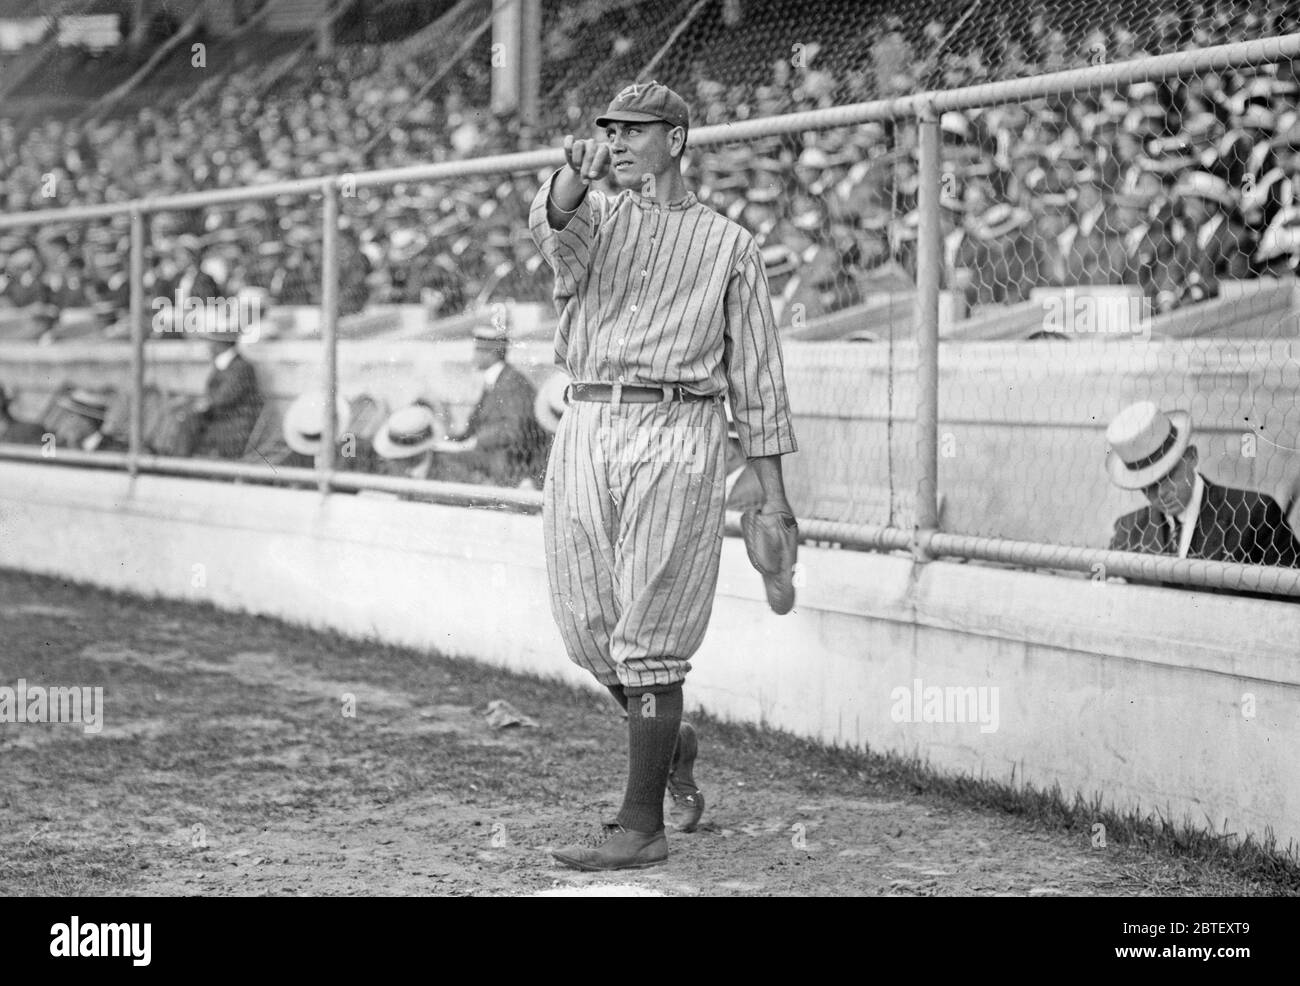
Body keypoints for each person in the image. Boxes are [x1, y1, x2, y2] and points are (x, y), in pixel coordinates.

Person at [529, 80, 798, 870]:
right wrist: (573, 181)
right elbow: (553, 241)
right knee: (585, 627)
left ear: (676, 140)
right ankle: (668, 739)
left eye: (635, 130)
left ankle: (639, 824)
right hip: (586, 417)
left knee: (651, 633)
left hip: (679, 423)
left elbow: (757, 375)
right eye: (610, 128)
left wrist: (773, 493)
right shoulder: (597, 216)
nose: (617, 141)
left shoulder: (730, 245)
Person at [1105, 401, 1300, 595]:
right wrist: (1107, 590)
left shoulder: (1254, 513)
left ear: (1191, 457)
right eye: (1148, 487)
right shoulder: (1129, 529)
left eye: (1168, 476)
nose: (1161, 493)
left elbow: (1294, 598)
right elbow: (1096, 577)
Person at [429, 324, 547, 488]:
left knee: (443, 461)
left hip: (508, 462)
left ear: (492, 354)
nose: (473, 356)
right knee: (438, 454)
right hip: (493, 456)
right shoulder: (496, 380)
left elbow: (514, 431)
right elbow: (474, 426)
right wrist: (451, 439)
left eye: (478, 350)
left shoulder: (513, 383)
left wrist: (475, 441)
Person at [191, 328, 263, 459]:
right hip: (222, 420)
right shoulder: (224, 365)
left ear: (221, 345)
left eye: (212, 343)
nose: (209, 348)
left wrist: (200, 405)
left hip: (236, 425)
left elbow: (221, 398)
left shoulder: (241, 367)